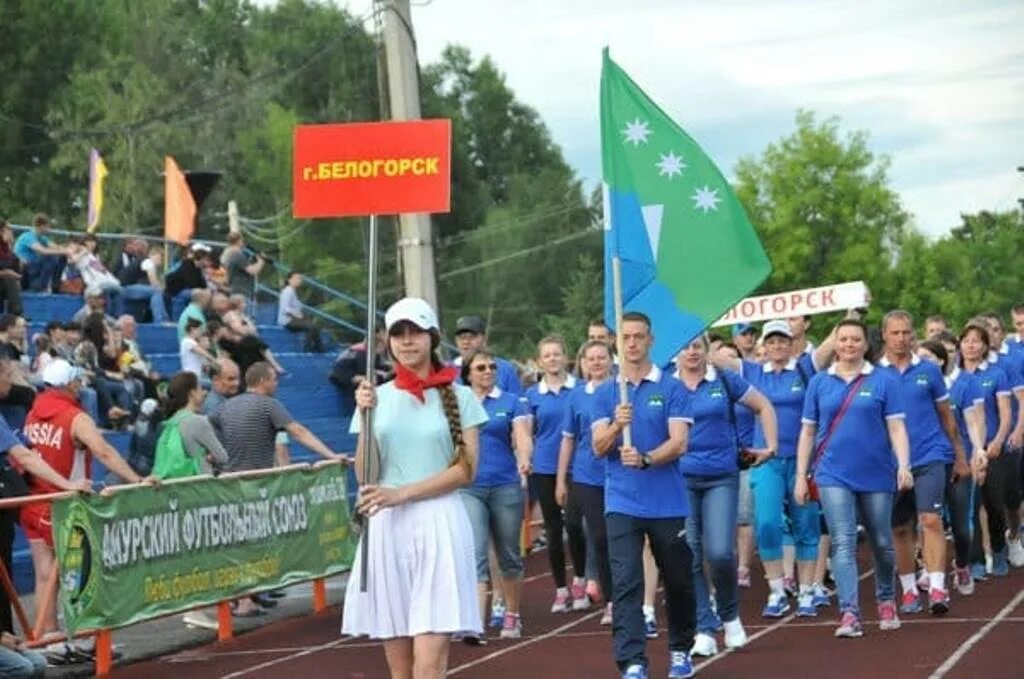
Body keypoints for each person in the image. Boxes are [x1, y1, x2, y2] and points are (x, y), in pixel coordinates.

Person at [341, 297, 488, 678]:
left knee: (428, 662)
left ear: (432, 337)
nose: (407, 342)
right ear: (388, 342)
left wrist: (401, 494)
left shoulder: (462, 396)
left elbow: (465, 471)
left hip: (438, 521)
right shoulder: (376, 398)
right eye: (398, 334)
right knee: (401, 668)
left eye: (415, 332)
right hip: (388, 529)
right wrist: (367, 416)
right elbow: (365, 473)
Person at [592, 311, 697, 679]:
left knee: (679, 578)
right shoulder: (606, 392)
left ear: (651, 340)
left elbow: (679, 442)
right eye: (626, 337)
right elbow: (598, 446)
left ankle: (682, 648)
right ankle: (632, 659)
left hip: (666, 501)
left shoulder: (671, 388)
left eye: (639, 336)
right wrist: (617, 425)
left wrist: (648, 458)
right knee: (625, 582)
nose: (633, 343)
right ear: (616, 343)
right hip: (621, 501)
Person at [21, 359, 147, 662]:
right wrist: (137, 480)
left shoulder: (32, 413)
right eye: (77, 380)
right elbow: (104, 451)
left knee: (44, 574)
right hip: (66, 504)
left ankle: (50, 639)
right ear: (70, 383)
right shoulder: (75, 416)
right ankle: (87, 639)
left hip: (32, 503)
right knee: (80, 571)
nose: (80, 384)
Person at [794, 318, 913, 638]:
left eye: (855, 339)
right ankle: (850, 612)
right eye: (842, 339)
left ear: (865, 344)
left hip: (876, 473)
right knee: (843, 541)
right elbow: (807, 431)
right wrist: (800, 476)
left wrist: (904, 465)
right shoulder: (820, 382)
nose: (848, 344)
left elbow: (897, 427)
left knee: (883, 542)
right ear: (834, 343)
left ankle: (887, 598)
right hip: (832, 473)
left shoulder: (884, 380)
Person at [674, 334, 776, 657]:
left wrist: (770, 446)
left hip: (721, 474)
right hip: (679, 479)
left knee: (718, 551)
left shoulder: (725, 379)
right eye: (685, 346)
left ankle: (729, 614)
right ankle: (704, 626)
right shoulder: (666, 384)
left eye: (697, 346)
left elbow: (763, 406)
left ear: (707, 350)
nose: (691, 351)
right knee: (689, 552)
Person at [716, 319, 825, 618]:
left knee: (805, 524)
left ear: (792, 343)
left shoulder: (805, 368)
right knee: (766, 523)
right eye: (772, 341)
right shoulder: (750, 371)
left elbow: (831, 345)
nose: (778, 346)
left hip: (802, 461)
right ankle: (776, 589)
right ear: (764, 345)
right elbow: (714, 358)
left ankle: (805, 591)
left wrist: (854, 311)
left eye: (783, 341)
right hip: (765, 460)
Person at [877, 311, 969, 616]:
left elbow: (947, 417)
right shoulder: (875, 374)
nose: (902, 338)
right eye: (895, 333)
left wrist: (959, 455)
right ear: (884, 336)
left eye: (906, 333)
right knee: (899, 528)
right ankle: (908, 589)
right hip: (890, 463)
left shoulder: (928, 371)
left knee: (930, 520)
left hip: (931, 455)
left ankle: (939, 586)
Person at [460, 348, 532, 641]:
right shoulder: (458, 403)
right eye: (480, 368)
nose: (488, 371)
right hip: (469, 487)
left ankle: (511, 614)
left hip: (505, 484)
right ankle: (476, 622)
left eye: (492, 366)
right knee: (475, 553)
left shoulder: (511, 402)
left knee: (509, 555)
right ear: (468, 374)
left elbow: (523, 435)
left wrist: (525, 458)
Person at [916, 339, 988, 596]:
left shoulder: (965, 383)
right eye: (921, 357)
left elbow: (973, 422)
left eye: (932, 357)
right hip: (927, 460)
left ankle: (962, 563)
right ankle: (928, 568)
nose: (925, 362)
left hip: (959, 461)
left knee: (960, 525)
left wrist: (978, 450)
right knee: (927, 519)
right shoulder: (915, 384)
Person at [524, 335, 589, 613]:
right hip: (544, 467)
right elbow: (526, 432)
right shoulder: (532, 395)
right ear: (540, 361)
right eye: (546, 355)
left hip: (578, 467)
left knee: (575, 525)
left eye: (556, 354)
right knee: (553, 530)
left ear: (566, 357)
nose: (552, 359)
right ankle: (561, 589)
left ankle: (580, 580)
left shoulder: (581, 389)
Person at [556, 340, 615, 625]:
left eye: (601, 357)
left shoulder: (622, 390)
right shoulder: (576, 397)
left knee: (626, 538)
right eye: (590, 358)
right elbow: (568, 439)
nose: (596, 362)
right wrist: (560, 480)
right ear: (582, 363)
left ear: (610, 360)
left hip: (620, 473)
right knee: (600, 538)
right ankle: (611, 601)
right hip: (587, 476)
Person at [958, 321, 1014, 578]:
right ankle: (976, 559)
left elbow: (1005, 412)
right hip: (963, 449)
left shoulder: (996, 374)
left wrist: (999, 440)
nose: (971, 345)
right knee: (970, 505)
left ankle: (999, 548)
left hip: (991, 447)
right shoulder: (953, 376)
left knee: (994, 503)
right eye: (966, 340)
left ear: (984, 345)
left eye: (976, 340)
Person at [452, 315, 522, 394]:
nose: (466, 342)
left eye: (471, 337)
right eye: (461, 337)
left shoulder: (506, 369)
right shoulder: (446, 369)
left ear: (484, 339)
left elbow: (516, 402)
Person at [13, 213, 67, 292]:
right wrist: (62, 251)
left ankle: (55, 287)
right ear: (42, 226)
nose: (49, 229)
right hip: (23, 267)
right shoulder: (28, 236)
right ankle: (39, 286)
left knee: (62, 257)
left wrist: (68, 250)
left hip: (33, 267)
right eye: (48, 226)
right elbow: (43, 251)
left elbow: (55, 246)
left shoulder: (41, 237)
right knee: (51, 257)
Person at [278, 271, 323, 352]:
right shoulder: (288, 291)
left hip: (294, 319)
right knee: (311, 326)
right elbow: (285, 309)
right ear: (289, 280)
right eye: (297, 278)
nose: (299, 280)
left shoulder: (293, 291)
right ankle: (308, 349)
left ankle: (319, 349)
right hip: (287, 321)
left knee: (314, 325)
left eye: (300, 278)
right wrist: (297, 315)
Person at [222, 232, 265, 299]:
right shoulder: (237, 255)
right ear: (238, 241)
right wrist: (261, 261)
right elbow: (253, 271)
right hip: (242, 292)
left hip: (235, 290)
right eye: (242, 240)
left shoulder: (228, 254)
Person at [0, 220, 24, 316]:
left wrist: (9, 244)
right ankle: (16, 314)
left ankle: (14, 315)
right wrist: (5, 273)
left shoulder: (5, 247)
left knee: (11, 280)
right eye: (8, 230)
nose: (11, 232)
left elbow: (15, 265)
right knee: (9, 279)